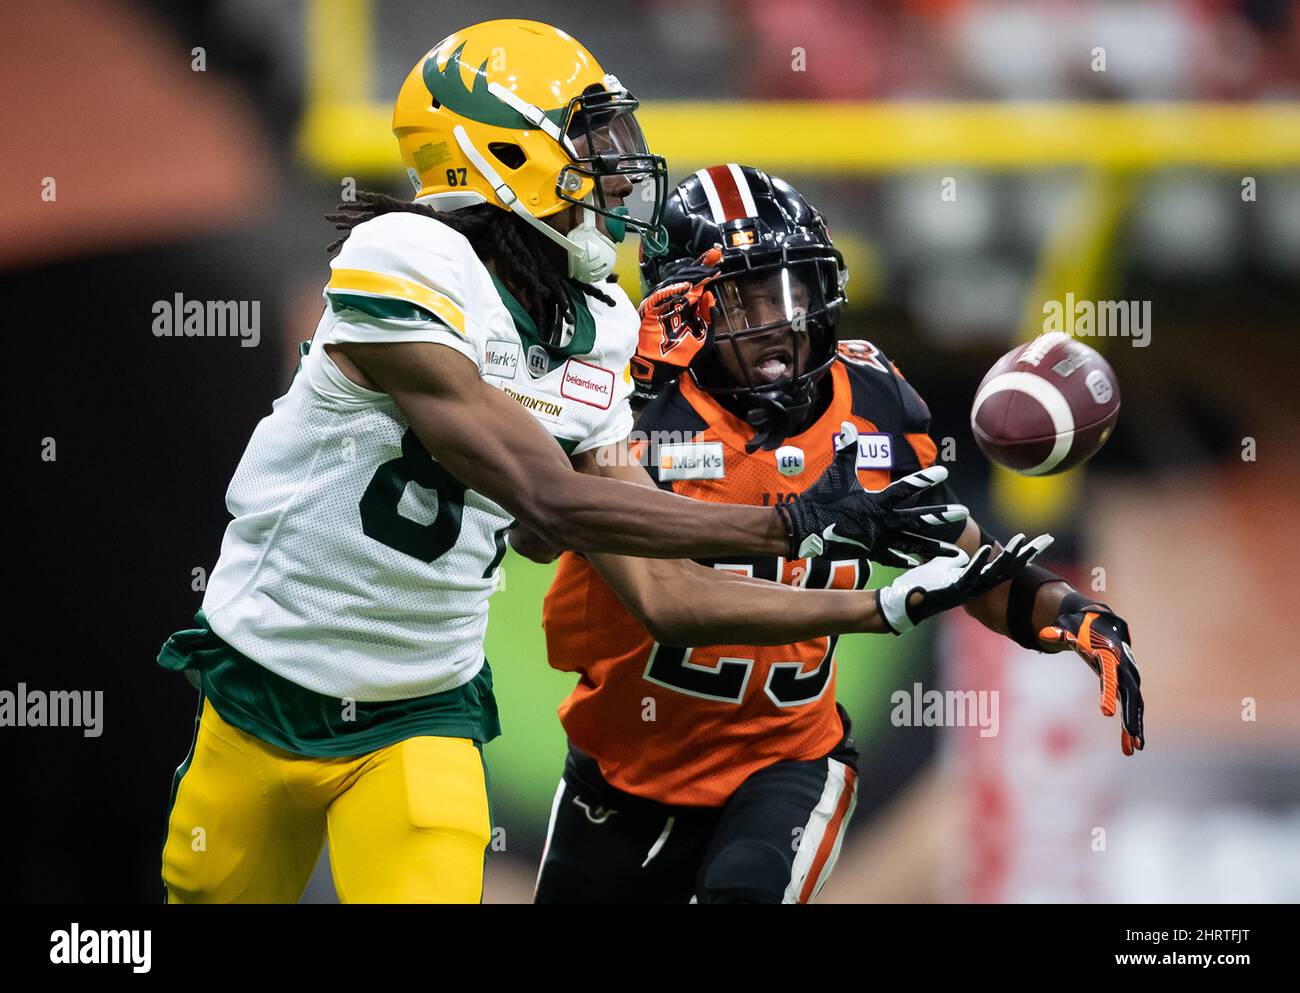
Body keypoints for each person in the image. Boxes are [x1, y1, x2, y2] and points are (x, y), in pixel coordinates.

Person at [158, 24, 973, 904]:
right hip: (262, 669)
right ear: (498, 149)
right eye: (588, 140)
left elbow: (661, 591)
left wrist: (883, 601)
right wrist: (793, 523)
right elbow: (549, 495)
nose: (617, 167)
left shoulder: (602, 323)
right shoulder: (408, 258)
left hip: (418, 703)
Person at [530, 164, 1144, 904]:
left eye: (794, 286)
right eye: (747, 296)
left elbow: (960, 554)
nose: (784, 318)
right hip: (619, 761)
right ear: (678, 314)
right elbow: (668, 599)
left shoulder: (871, 396)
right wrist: (863, 592)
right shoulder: (624, 409)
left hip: (787, 760)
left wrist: (1067, 612)